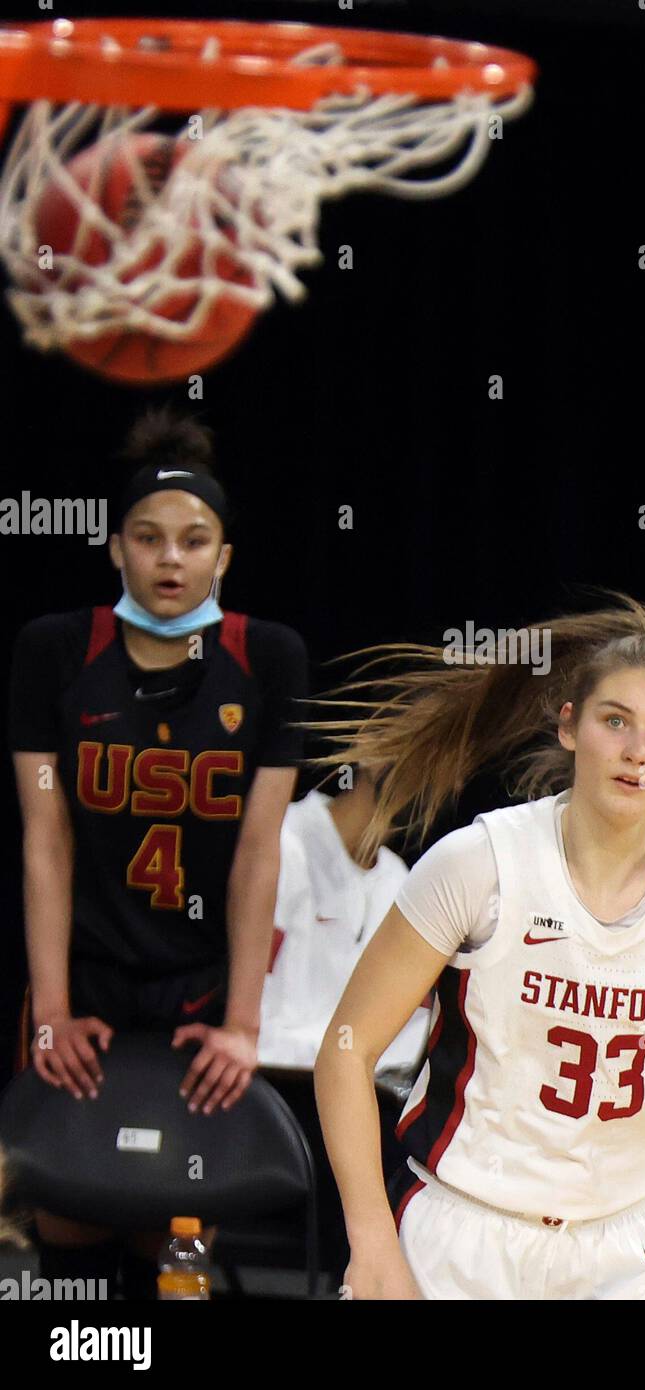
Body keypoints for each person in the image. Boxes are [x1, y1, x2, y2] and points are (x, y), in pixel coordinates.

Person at [314, 593, 645, 1300]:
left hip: (621, 1246)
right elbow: (346, 1051)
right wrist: (371, 1237)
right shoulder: (479, 863)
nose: (636, 752)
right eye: (615, 721)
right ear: (569, 725)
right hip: (461, 1230)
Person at [8, 407, 307, 1298]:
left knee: (177, 1234)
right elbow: (46, 838)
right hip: (85, 979)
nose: (170, 559)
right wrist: (51, 1009)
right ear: (116, 549)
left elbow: (258, 852)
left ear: (224, 556)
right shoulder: (56, 650)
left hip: (196, 990)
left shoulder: (267, 658)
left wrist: (243, 1023)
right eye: (148, 537)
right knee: (69, 1215)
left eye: (193, 540)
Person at [258, 769, 429, 1078]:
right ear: (368, 747)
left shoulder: (402, 883)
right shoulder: (280, 839)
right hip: (267, 1081)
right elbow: (254, 1018)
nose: (438, 774)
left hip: (359, 1089)